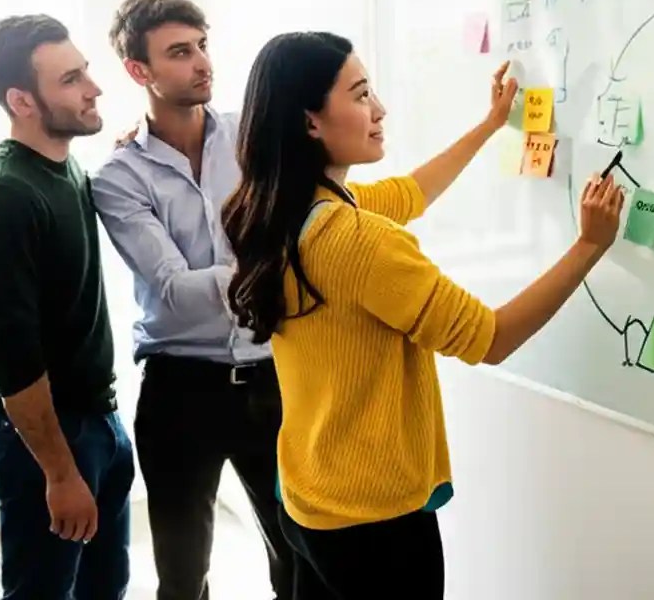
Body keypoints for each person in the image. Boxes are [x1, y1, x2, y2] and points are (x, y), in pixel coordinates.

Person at [220, 31, 626, 598]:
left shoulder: (282, 210)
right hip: (373, 527)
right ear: (310, 121)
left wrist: (490, 125)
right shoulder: (359, 241)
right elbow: (492, 338)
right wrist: (589, 246)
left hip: (309, 499)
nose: (380, 109)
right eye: (361, 95)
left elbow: (412, 193)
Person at [91, 0, 292, 600]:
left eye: (202, 45)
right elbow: (176, 292)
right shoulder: (119, 177)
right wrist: (272, 263)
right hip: (180, 393)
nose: (202, 62)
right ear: (139, 70)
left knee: (297, 559)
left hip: (274, 379)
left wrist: (259, 262)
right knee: (181, 579)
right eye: (179, 52)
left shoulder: (254, 139)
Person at [0, 14, 134, 599]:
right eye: (71, 80)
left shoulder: (64, 165)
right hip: (45, 442)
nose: (94, 88)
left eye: (85, 71)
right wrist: (59, 471)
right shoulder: (5, 198)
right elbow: (10, 356)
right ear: (21, 101)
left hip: (99, 422)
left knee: (105, 589)